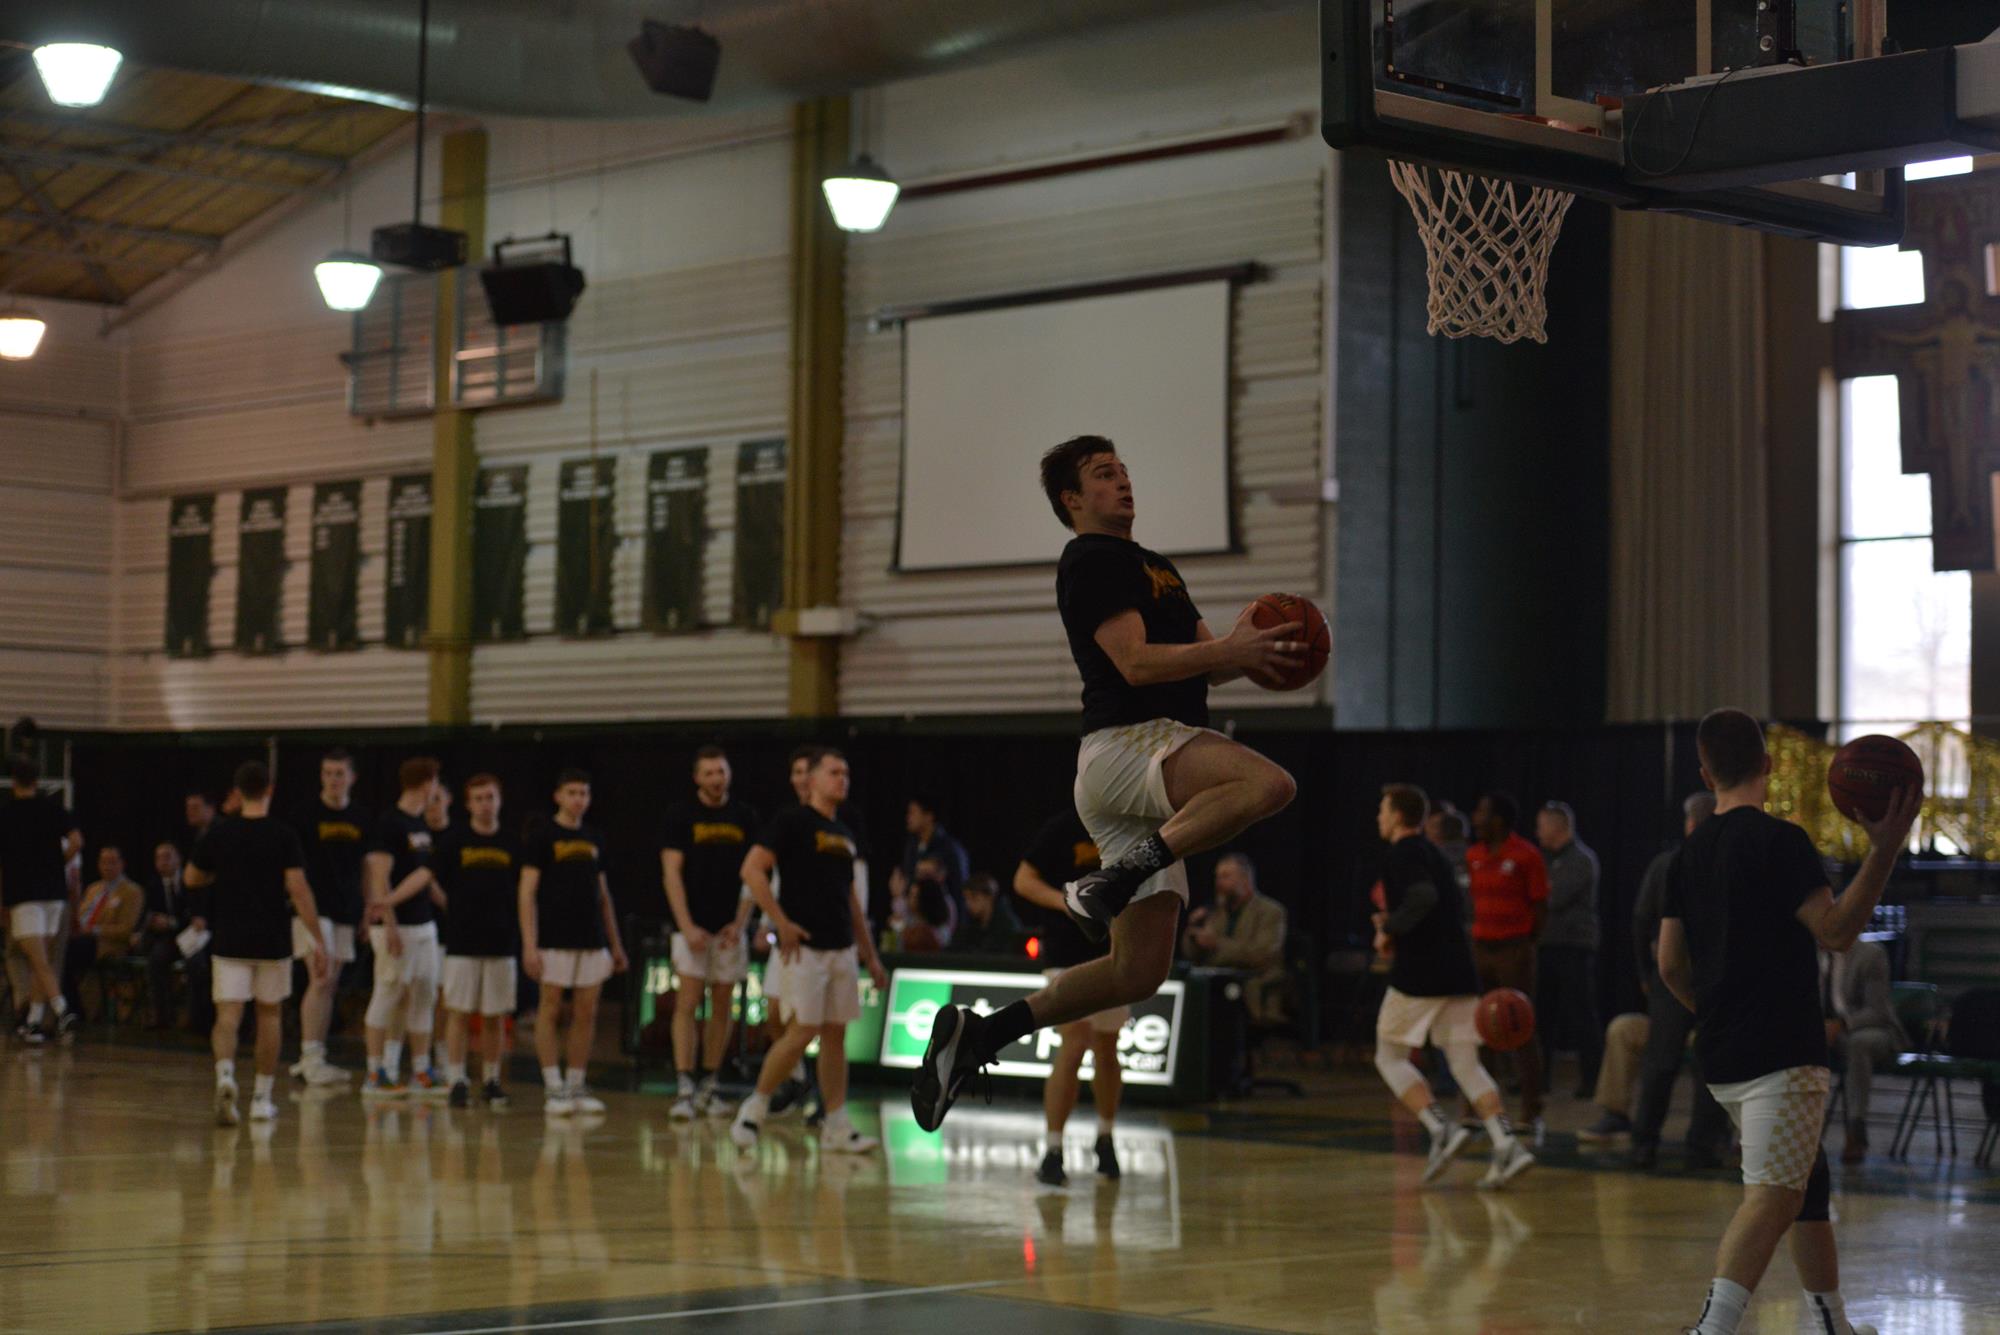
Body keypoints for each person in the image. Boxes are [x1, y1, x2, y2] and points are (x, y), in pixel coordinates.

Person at [912, 435, 1300, 1131]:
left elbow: (1207, 663)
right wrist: (1229, 648)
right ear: (1072, 499)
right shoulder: (1091, 558)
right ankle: (1113, 878)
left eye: (1123, 470)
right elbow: (1136, 663)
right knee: (1270, 784)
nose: (1122, 481)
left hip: (1141, 763)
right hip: (1129, 744)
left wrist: (1254, 654)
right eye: (1103, 474)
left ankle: (980, 1035)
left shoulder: (1158, 567)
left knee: (1137, 973)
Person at [1659, 707, 1915, 1335]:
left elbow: (1668, 964)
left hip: (1720, 1056)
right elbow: (1836, 931)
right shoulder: (1781, 841)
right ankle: (1712, 1329)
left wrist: (1716, 1012)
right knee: (1774, 1197)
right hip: (1781, 1054)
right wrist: (1884, 851)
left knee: (1807, 1183)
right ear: (1768, 765)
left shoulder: (1686, 854)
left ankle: (1832, 1325)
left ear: (1705, 773)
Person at [1372, 784, 1535, 1189]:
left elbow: (1422, 897)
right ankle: (1507, 1143)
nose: (1378, 817)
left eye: (1383, 810)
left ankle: (1438, 1127)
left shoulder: (1403, 853)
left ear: (1397, 816)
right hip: (1460, 970)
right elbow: (1456, 906)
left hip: (1421, 974)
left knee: (1388, 1056)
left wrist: (1389, 928)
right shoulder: (1437, 854)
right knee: (1466, 1063)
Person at [730, 748, 890, 1153]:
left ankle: (837, 1124)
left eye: (846, 773)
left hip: (842, 948)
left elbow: (851, 901)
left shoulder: (845, 832)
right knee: (801, 1032)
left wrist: (870, 955)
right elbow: (752, 870)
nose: (842, 779)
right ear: (813, 779)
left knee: (836, 1036)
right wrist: (780, 922)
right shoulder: (792, 821)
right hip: (804, 949)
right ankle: (755, 1108)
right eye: (834, 772)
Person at [187, 761, 327, 1125]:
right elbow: (298, 889)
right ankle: (262, 1099)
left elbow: (190, 877)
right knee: (270, 1014)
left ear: (237, 792)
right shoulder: (284, 835)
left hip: (229, 937)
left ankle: (225, 1075)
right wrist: (317, 938)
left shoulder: (220, 833)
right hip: (272, 939)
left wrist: (220, 874)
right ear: (270, 790)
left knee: (228, 1015)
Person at [1014, 807, 1126, 1186]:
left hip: (1113, 950)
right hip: (1065, 950)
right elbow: (1023, 880)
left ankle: (1106, 1136)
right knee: (1075, 1041)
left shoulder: (1127, 823)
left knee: (1107, 1047)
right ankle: (1053, 1148)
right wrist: (1066, 901)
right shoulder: (1063, 826)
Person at [1627, 792, 1730, 1170]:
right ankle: (1702, 1146)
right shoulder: (1728, 864)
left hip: (1672, 973)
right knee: (1710, 1060)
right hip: (1716, 976)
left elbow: (1641, 921)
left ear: (1689, 823)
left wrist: (1645, 973)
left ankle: (1644, 1143)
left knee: (1661, 1061)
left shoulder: (1667, 863)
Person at [519, 768, 629, 1117]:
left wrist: (615, 944)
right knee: (550, 1008)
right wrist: (529, 944)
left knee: (587, 1012)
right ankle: (553, 1086)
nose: (578, 799)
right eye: (572, 793)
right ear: (558, 796)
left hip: (591, 939)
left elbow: (604, 896)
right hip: (553, 939)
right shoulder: (542, 836)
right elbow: (527, 893)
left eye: (583, 793)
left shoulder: (595, 837)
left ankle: (576, 1083)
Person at [661, 745, 758, 1121]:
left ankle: (710, 1083)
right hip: (692, 927)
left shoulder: (745, 815)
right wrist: (686, 925)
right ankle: (684, 1085)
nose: (717, 779)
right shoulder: (680, 815)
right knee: (687, 1001)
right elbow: (671, 874)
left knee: (722, 1003)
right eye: (709, 773)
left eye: (721, 771)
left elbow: (755, 874)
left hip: (729, 929)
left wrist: (741, 922)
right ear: (696, 778)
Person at [436, 773, 521, 1108]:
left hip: (501, 940)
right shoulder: (455, 840)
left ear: (500, 801)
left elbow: (524, 889)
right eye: (479, 798)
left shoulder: (512, 842)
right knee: (458, 1012)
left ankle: (491, 1079)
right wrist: (451, 906)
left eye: (490, 797)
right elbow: (431, 877)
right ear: (469, 804)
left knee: (494, 1015)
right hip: (462, 940)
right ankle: (456, 1078)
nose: (485, 804)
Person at [1466, 792, 1549, 1135]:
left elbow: (1540, 906)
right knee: (1479, 1027)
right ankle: (1479, 1108)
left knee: (1520, 1027)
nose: (1475, 818)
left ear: (1498, 820)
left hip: (1514, 949)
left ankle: (1531, 1110)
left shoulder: (1526, 855)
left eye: (1481, 812)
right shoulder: (1473, 855)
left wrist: (1525, 943)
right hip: (1481, 948)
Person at [362, 757, 444, 1098]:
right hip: (397, 926)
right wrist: (390, 924)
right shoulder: (389, 823)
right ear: (427, 783)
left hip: (424, 924)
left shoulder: (420, 824)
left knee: (424, 993)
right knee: (387, 993)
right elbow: (379, 876)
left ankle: (421, 1070)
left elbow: (425, 875)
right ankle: (375, 1073)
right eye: (435, 782)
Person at [291, 749, 367, 1087]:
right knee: (320, 979)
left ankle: (315, 1056)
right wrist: (304, 912)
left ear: (352, 778)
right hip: (313, 911)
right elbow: (295, 872)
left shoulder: (360, 817)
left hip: (345, 911)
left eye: (339, 773)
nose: (333, 779)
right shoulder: (305, 815)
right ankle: (309, 1056)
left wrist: (366, 910)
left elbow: (366, 868)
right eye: (327, 773)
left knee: (331, 983)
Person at [1, 754, 84, 1043]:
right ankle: (34, 1022)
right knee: (43, 960)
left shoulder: (6, 814)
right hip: (55, 895)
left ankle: (62, 1009)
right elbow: (77, 841)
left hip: (24, 895)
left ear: (13, 781)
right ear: (37, 780)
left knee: (37, 959)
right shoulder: (53, 808)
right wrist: (58, 864)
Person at [1535, 800, 1602, 1095]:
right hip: (1545, 945)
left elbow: (1552, 897)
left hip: (1574, 947)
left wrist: (1534, 893)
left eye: (1541, 826)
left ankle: (1591, 1079)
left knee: (1581, 1013)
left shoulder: (1581, 859)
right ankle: (1539, 1078)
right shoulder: (1542, 859)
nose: (1537, 832)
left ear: (1557, 827)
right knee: (1542, 1016)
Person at [1822, 938, 1905, 1164]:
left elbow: (1877, 1011)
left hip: (1871, 1028)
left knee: (1858, 1044)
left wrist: (1842, 1024)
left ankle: (1855, 1130)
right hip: (1825, 1030)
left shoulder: (1870, 955)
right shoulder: (1809, 956)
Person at [1179, 853, 1289, 1023]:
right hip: (1215, 985)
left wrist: (1217, 945)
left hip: (1254, 985)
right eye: (1217, 877)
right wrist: (1193, 933)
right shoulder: (1214, 912)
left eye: (1226, 876)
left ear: (1245, 879)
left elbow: (1262, 955)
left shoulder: (1271, 912)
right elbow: (1191, 955)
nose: (1219, 883)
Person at [60, 845, 144, 1016]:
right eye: (104, 862)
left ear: (122, 864)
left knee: (65, 954)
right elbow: (81, 915)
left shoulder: (132, 891)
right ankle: (68, 1007)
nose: (107, 866)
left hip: (107, 944)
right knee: (58, 952)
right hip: (83, 939)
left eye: (112, 862)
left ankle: (75, 1010)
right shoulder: (93, 889)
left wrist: (94, 930)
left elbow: (126, 929)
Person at [141, 841, 211, 1032]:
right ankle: (161, 1017)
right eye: (158, 858)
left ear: (179, 859)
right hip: (169, 938)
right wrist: (154, 921)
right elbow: (147, 914)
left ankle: (196, 1018)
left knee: (196, 963)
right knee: (156, 960)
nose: (163, 862)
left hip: (192, 937)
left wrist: (179, 922)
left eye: (167, 857)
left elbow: (198, 912)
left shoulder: (192, 881)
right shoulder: (153, 884)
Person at [894, 794, 970, 935]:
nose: (908, 818)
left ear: (928, 816)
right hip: (916, 924)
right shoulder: (912, 847)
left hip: (945, 928)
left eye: (913, 812)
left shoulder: (949, 850)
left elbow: (959, 893)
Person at [946, 873, 1027, 955]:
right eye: (966, 899)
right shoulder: (971, 925)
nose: (968, 904)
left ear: (989, 897)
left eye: (974, 897)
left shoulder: (1008, 926)